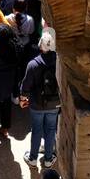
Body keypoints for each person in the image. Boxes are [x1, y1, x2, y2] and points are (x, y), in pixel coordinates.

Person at [19, 30, 60, 165]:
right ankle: (48, 159)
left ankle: (33, 158)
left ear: (40, 45)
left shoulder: (33, 64)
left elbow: (26, 86)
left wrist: (23, 100)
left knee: (37, 129)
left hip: (37, 104)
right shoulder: (59, 62)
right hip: (54, 103)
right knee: (50, 129)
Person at [8, 0, 36, 73]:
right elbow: (31, 31)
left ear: (13, 7)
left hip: (14, 45)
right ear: (25, 8)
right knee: (24, 61)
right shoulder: (30, 19)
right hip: (25, 44)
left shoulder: (7, 18)